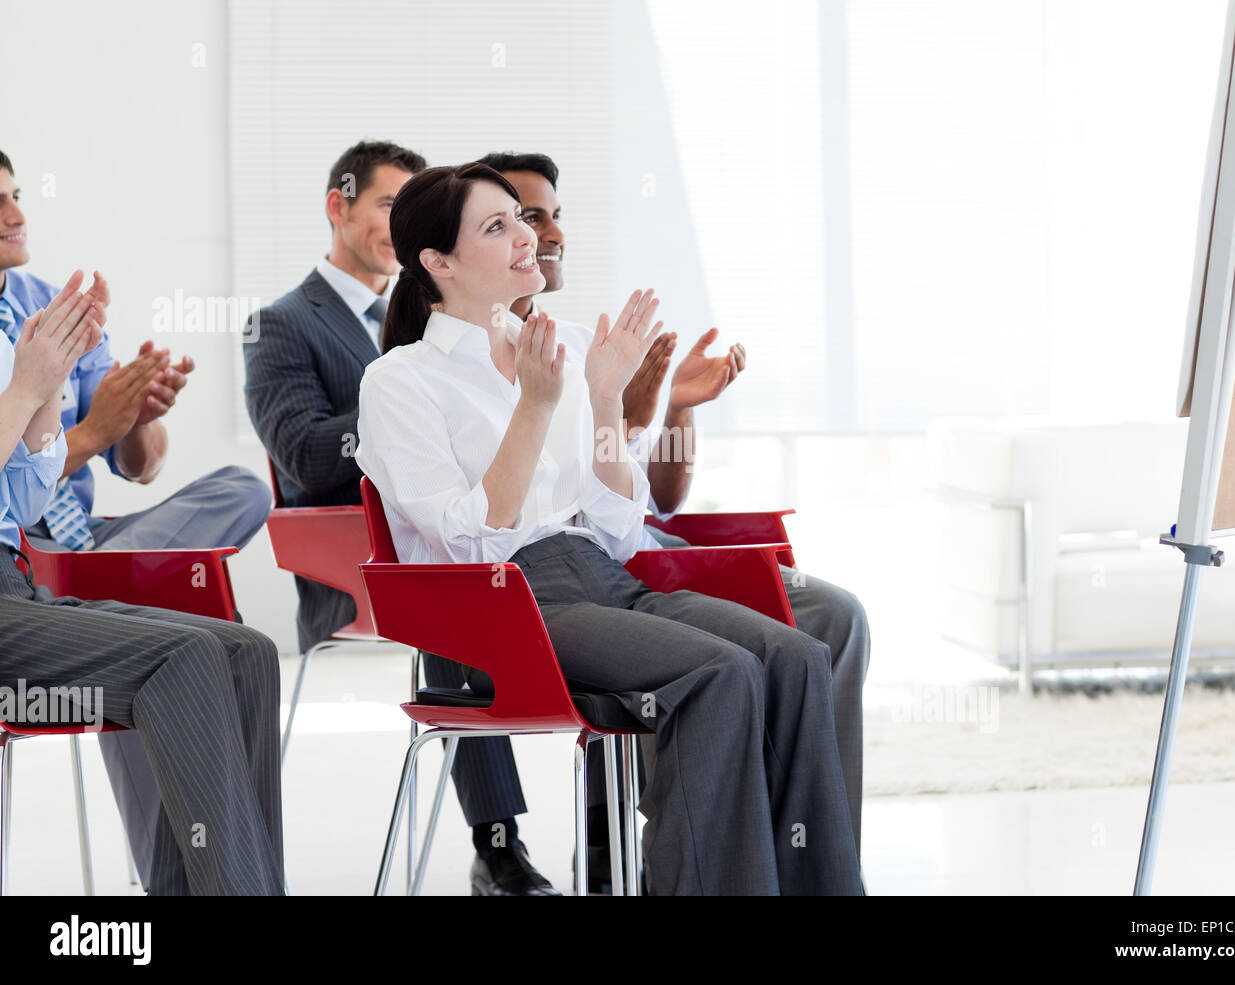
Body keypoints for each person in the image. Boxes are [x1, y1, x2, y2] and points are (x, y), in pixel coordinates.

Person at [356, 162, 863, 895]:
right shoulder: (402, 380)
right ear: (438, 263)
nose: (526, 237)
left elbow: (621, 528)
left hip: (605, 579)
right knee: (719, 673)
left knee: (795, 655)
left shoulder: (563, 343)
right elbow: (470, 543)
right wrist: (535, 406)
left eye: (522, 219)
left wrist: (600, 401)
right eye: (497, 226)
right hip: (502, 604)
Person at [243, 140, 560, 895]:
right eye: (386, 203)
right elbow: (303, 453)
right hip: (347, 541)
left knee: (466, 549)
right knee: (445, 570)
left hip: (452, 519)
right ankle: (498, 841)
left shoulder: (454, 321)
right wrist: (413, 393)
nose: (398, 220)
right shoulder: (284, 324)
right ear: (338, 207)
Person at [0, 150, 275, 891]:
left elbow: (31, 498)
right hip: (27, 571)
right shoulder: (26, 347)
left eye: (16, 195)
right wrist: (35, 395)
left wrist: (87, 412)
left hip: (28, 567)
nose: (16, 215)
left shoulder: (40, 313)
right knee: (180, 656)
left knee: (246, 651)